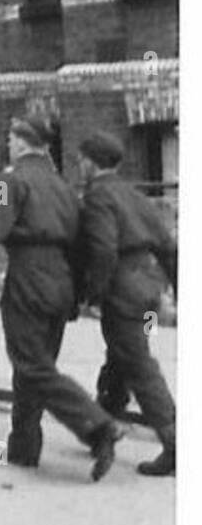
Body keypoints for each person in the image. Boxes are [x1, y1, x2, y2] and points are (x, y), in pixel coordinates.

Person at [0, 115, 121, 481]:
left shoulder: (7, 181)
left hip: (28, 279)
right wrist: (77, 293)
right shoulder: (64, 188)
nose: (8, 145)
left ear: (24, 142)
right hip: (61, 282)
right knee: (36, 367)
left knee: (32, 367)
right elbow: (81, 247)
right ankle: (23, 447)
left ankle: (97, 426)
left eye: (11, 139)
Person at [75, 131, 177, 477]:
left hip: (122, 292)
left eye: (81, 159)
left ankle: (175, 442)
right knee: (122, 355)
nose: (79, 165)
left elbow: (103, 250)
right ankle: (102, 424)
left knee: (138, 364)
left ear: (91, 162)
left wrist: (94, 295)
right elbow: (168, 245)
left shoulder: (98, 197)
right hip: (149, 290)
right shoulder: (134, 195)